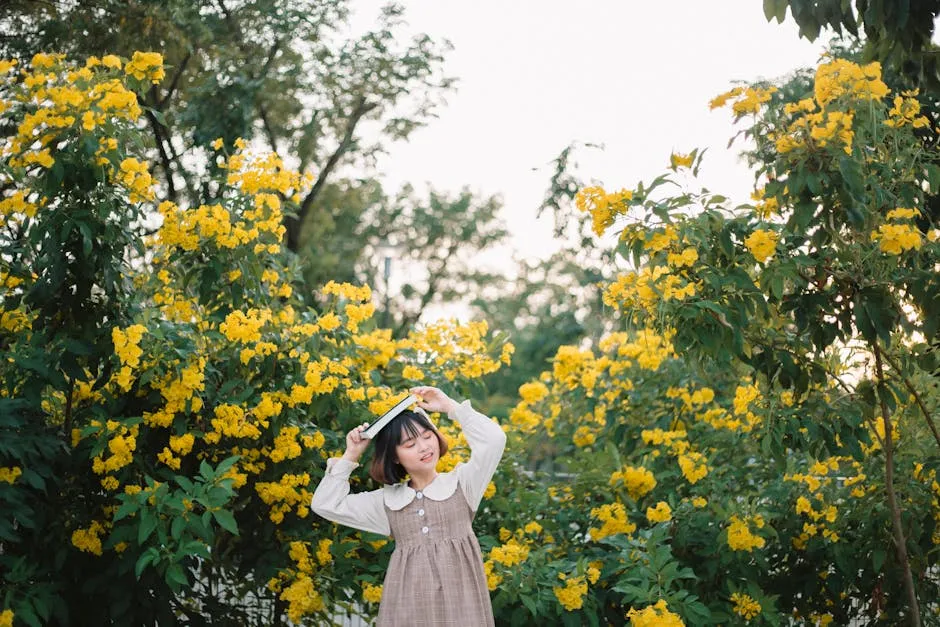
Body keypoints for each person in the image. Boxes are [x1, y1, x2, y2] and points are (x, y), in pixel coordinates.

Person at [311, 385, 506, 626]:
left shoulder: (463, 484)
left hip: (462, 607)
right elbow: (325, 504)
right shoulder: (388, 502)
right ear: (395, 456)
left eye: (427, 436)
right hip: (407, 609)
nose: (424, 447)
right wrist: (351, 455)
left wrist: (450, 407)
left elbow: (495, 440)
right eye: (410, 444)